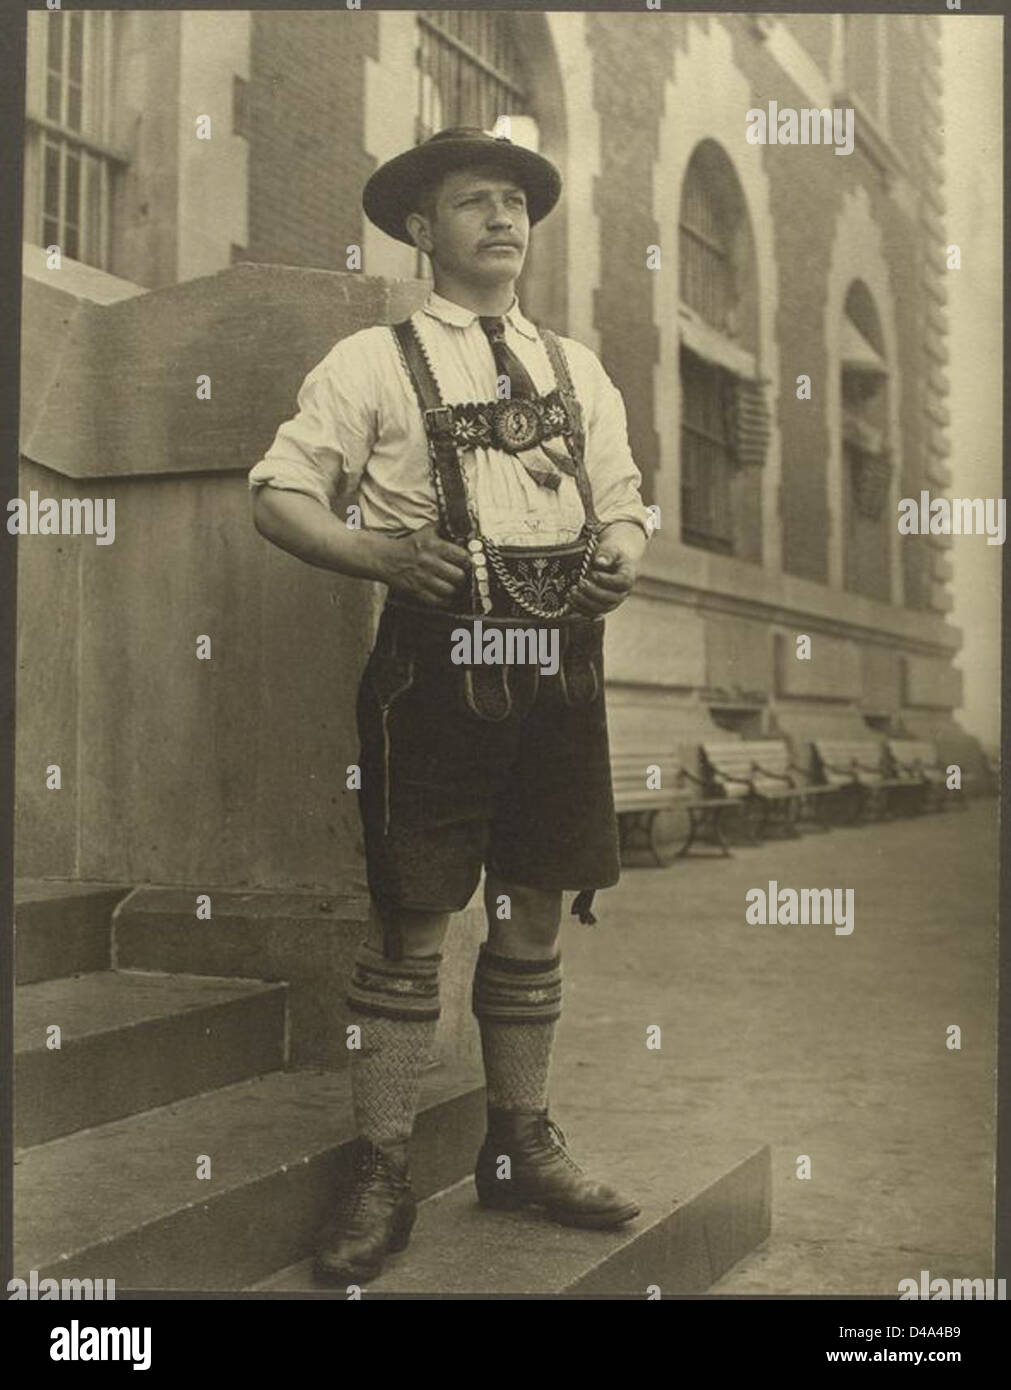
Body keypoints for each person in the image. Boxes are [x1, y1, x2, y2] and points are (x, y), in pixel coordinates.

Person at [249, 127, 651, 1286]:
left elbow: (626, 502)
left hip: (561, 670)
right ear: (423, 230)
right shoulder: (369, 362)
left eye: (517, 202)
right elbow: (277, 495)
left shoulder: (576, 369)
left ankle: (519, 1145)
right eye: (476, 201)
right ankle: (381, 1167)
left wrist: (620, 551)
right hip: (435, 671)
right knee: (413, 920)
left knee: (534, 911)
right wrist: (375, 554)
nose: (504, 218)